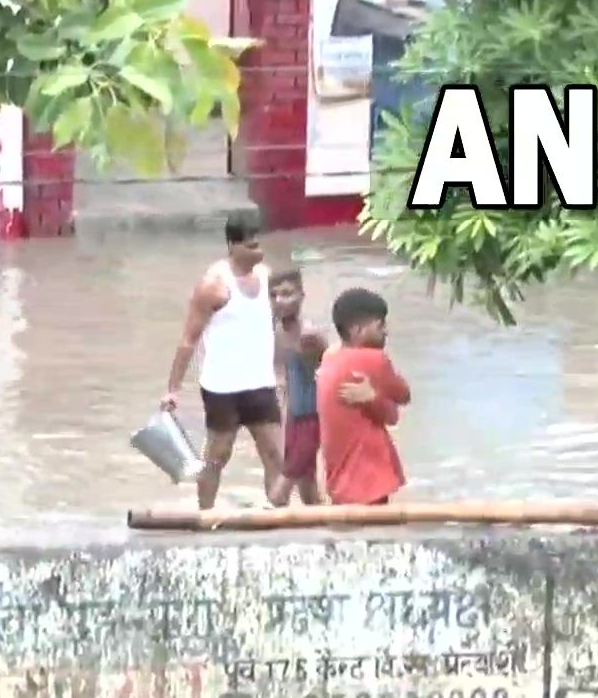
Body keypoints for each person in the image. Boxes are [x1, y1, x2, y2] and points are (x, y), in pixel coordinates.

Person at [161, 211, 287, 510]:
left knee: (275, 455)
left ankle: (280, 517)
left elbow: (272, 329)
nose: (259, 251)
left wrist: (281, 372)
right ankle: (204, 514)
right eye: (251, 246)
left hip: (260, 384)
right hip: (223, 388)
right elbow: (188, 340)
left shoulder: (267, 278)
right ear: (233, 245)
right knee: (217, 457)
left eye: (260, 245)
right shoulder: (213, 286)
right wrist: (173, 389)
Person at [317, 288, 412, 506]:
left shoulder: (330, 358)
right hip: (366, 476)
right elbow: (403, 395)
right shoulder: (372, 360)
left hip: (341, 476)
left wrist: (374, 399)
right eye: (380, 325)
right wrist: (378, 399)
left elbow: (390, 414)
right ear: (357, 330)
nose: (386, 331)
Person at [270, 268, 326, 506]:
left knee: (279, 492)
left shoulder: (309, 335)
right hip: (294, 417)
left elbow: (330, 374)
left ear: (302, 296)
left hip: (312, 418)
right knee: (307, 487)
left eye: (287, 293)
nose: (280, 301)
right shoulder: (276, 332)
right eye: (274, 295)